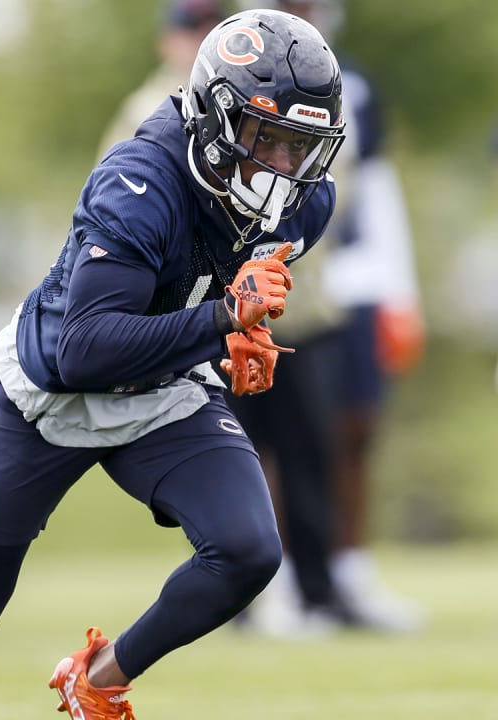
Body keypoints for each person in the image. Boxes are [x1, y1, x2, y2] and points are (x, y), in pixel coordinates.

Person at [0, 9, 345, 718]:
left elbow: (227, 279)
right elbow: (85, 350)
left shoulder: (304, 204)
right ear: (215, 116)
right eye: (270, 140)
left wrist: (232, 340)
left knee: (248, 549)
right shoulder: (141, 181)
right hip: (51, 398)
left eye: (302, 146)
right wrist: (224, 320)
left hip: (162, 393)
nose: (286, 168)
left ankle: (98, 679)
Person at [234, 0, 425, 635]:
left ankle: (331, 581)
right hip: (237, 295)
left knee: (324, 443)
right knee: (241, 447)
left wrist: (397, 289)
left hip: (316, 294)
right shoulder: (237, 74)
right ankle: (258, 585)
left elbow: (365, 192)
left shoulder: (354, 85)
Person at [97, 0, 231, 159]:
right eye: (193, 28)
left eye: (214, 27)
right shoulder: (145, 111)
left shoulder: (239, 93)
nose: (205, 37)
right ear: (165, 43)